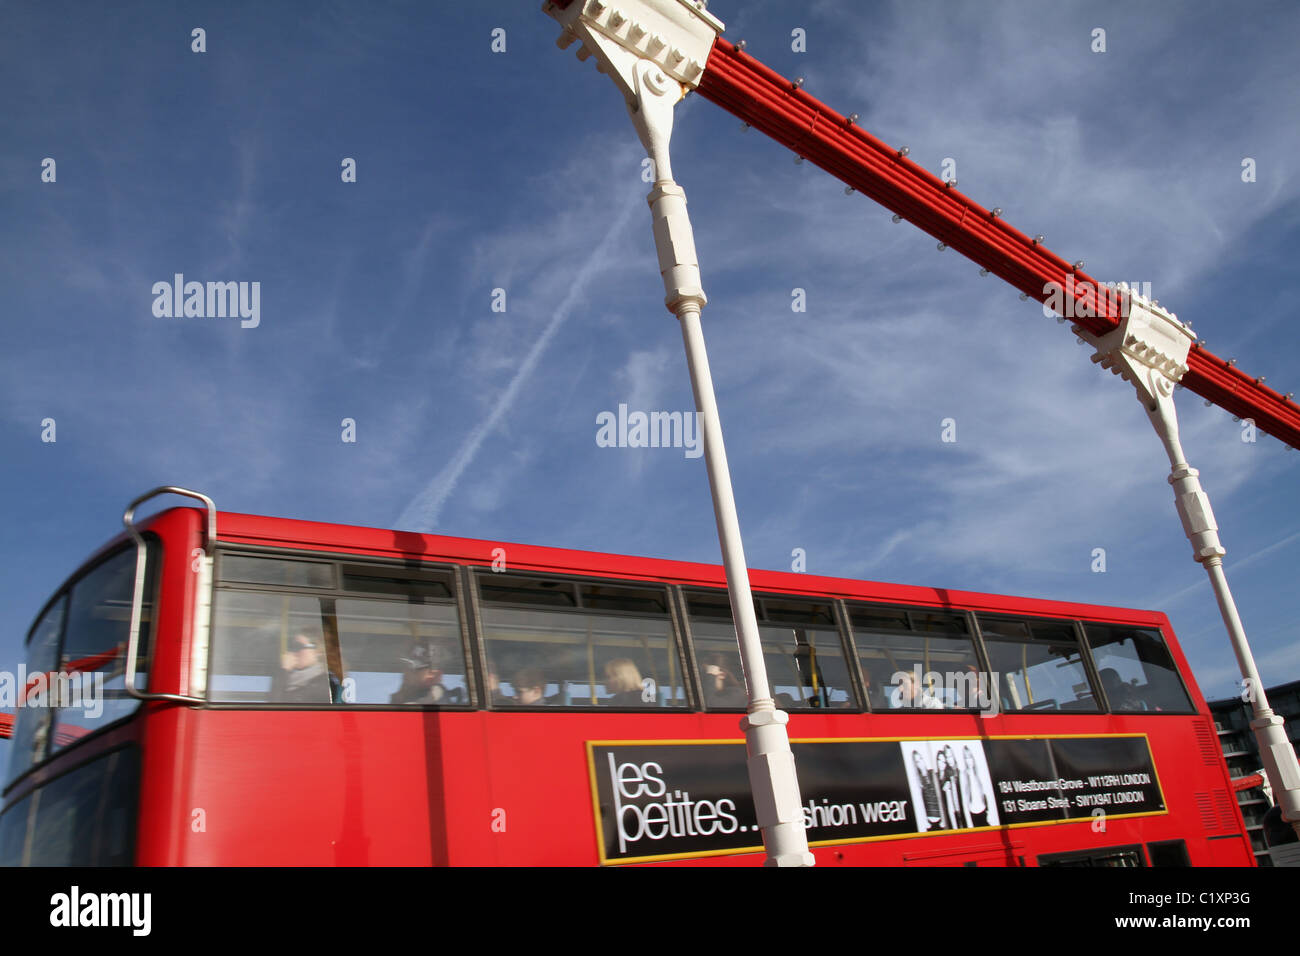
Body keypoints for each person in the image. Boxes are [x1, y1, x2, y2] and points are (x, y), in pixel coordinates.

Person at [271, 632, 332, 703]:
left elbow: (278, 705)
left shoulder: (325, 683)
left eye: (299, 646)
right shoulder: (289, 677)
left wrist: (284, 671)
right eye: (293, 646)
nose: (295, 651)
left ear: (317, 651)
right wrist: (284, 671)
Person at [389, 642, 454, 705]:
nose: (406, 671)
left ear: (434, 674)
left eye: (413, 667)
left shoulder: (438, 701)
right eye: (405, 666)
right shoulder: (409, 694)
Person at [913, 750, 945, 831]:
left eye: (921, 758)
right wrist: (925, 821)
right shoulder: (918, 779)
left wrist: (943, 818)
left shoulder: (932, 773)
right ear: (915, 764)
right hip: (929, 821)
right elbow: (921, 802)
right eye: (917, 761)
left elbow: (939, 796)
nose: (920, 762)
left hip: (941, 818)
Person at [960, 746, 990, 828]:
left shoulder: (978, 771)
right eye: (966, 758)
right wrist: (969, 822)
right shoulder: (963, 774)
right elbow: (964, 800)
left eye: (970, 757)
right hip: (973, 813)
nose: (969, 760)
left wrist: (989, 812)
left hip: (984, 810)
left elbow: (986, 792)